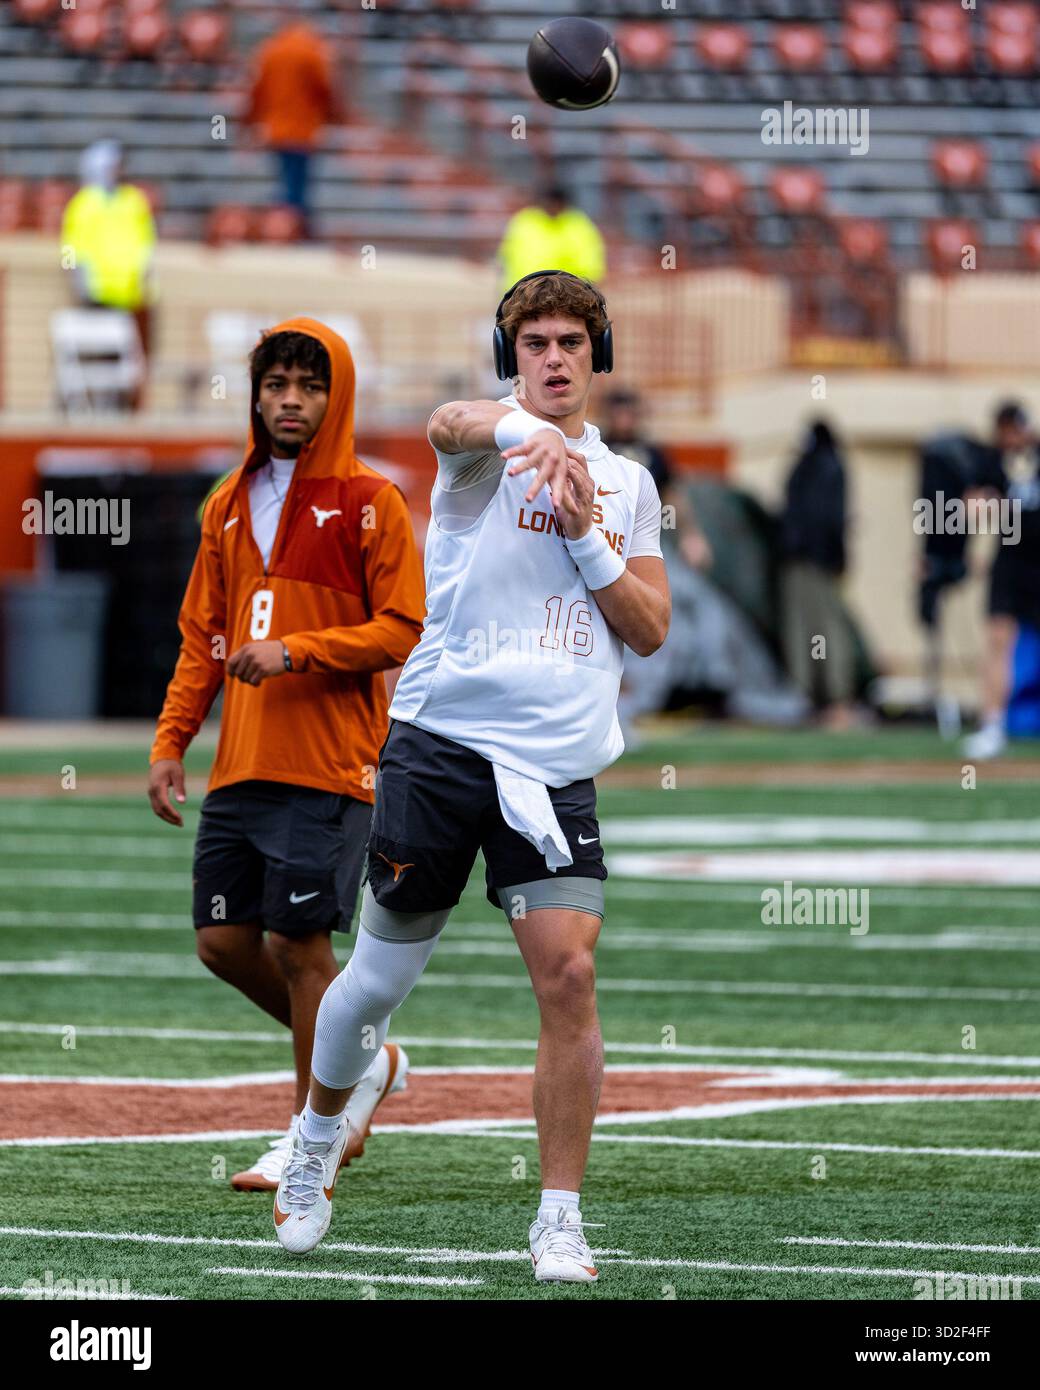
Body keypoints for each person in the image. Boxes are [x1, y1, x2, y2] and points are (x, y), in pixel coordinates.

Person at [273, 271, 670, 1283]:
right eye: (533, 342)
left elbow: (649, 629)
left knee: (569, 977)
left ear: (596, 356)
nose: (552, 358)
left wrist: (583, 526)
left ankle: (558, 1218)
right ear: (513, 358)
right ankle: (316, 1137)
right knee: (376, 977)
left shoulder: (626, 484)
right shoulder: (482, 451)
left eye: (569, 344)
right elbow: (450, 421)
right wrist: (513, 437)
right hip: (442, 744)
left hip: (553, 766)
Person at [148, 318, 425, 1191]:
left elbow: (403, 629)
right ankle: (362, 1065)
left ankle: (313, 1132)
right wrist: (170, 744)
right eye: (277, 385)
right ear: (258, 394)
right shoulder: (226, 502)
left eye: (309, 386)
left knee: (300, 946)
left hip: (332, 765)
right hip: (241, 765)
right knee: (224, 943)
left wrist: (299, 652)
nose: (291, 401)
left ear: (333, 395)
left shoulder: (372, 502)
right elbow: (203, 638)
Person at [963, 401, 1040, 759]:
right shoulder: (991, 461)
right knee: (998, 639)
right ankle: (992, 725)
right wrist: (983, 505)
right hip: (1010, 563)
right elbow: (971, 505)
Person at [60, 139, 156, 404]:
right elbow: (71, 248)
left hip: (131, 294)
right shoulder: (83, 203)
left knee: (131, 360)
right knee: (98, 357)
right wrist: (78, 281)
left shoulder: (133, 200)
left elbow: (146, 242)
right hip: (97, 294)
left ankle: (125, 408)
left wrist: (146, 276)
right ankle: (95, 407)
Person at [779, 419, 856, 728]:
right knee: (825, 630)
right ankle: (834, 698)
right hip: (819, 561)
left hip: (805, 561)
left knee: (808, 630)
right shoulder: (832, 466)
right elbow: (835, 518)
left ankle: (815, 697)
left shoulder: (809, 467)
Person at [242, 22, 345, 233]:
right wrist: (334, 116)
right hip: (302, 131)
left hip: (275, 129)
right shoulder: (312, 52)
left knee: (285, 183)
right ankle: (293, 230)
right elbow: (325, 89)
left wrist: (249, 121)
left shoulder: (270, 50)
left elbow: (256, 90)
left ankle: (285, 228)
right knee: (296, 186)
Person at [601, 387, 713, 573]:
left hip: (649, 534)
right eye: (619, 413)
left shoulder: (653, 453)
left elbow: (671, 495)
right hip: (605, 533)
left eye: (629, 413)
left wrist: (691, 534)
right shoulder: (598, 448)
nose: (624, 420)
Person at [497, 185, 606, 292]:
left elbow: (590, 265)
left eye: (557, 204)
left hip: (564, 295)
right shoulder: (524, 221)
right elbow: (507, 257)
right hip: (524, 292)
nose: (553, 207)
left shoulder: (578, 225)